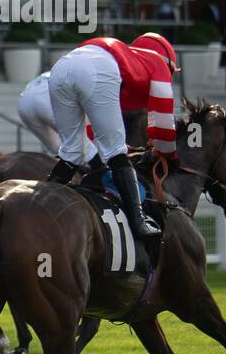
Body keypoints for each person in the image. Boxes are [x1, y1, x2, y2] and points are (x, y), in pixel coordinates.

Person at [47, 34, 177, 239]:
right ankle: (139, 222)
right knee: (116, 153)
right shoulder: (156, 63)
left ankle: (43, 201)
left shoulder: (125, 62)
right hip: (95, 69)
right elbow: (162, 123)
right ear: (168, 63)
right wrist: (169, 153)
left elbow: (95, 129)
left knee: (71, 153)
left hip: (61, 67)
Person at [18, 70, 97, 163]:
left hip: (24, 100)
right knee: (81, 144)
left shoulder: (69, 69)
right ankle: (104, 174)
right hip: (47, 96)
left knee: (57, 149)